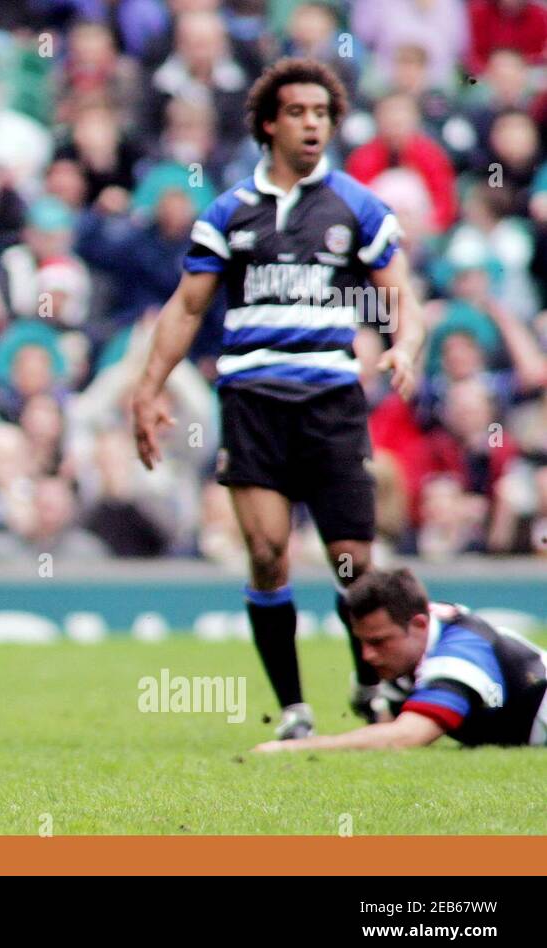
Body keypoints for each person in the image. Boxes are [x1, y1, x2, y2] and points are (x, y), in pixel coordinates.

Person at [131, 58, 426, 741]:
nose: (312, 124)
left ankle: (368, 679)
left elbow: (401, 295)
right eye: (298, 112)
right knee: (267, 551)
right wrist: (147, 389)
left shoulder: (358, 206)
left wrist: (405, 345)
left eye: (322, 114)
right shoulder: (228, 213)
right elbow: (184, 308)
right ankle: (294, 706)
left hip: (330, 400)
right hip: (253, 400)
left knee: (353, 559)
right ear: (269, 122)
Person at [255, 567, 547, 751]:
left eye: (378, 642)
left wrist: (299, 748)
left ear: (419, 625)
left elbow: (408, 736)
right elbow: (387, 728)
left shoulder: (460, 652)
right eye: (362, 643)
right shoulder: (417, 640)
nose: (367, 656)